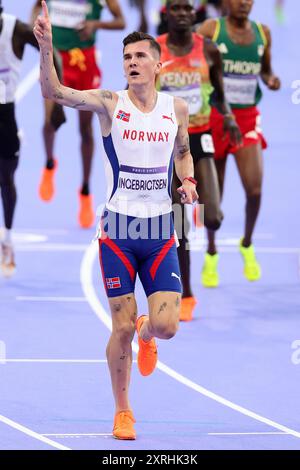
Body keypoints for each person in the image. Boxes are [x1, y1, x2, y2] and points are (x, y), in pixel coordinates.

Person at [34, 1, 198, 440]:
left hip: (160, 229)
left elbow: (182, 153)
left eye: (140, 56)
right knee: (120, 326)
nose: (132, 63)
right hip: (120, 232)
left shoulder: (176, 109)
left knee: (165, 326)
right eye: (126, 58)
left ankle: (149, 330)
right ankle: (123, 411)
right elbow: (55, 94)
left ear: (158, 64)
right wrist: (46, 47)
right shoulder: (110, 103)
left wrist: (188, 181)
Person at [156, 0, 241, 321]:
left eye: (186, 9)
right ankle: (186, 293)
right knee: (179, 227)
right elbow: (135, 89)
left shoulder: (209, 50)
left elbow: (219, 92)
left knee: (214, 216)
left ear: (194, 15)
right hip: (167, 144)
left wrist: (229, 116)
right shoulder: (156, 51)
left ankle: (207, 242)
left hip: (201, 137)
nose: (181, 14)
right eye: (175, 8)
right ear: (167, 14)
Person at [197, 0, 281, 285]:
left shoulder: (263, 32)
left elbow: (265, 70)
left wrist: (271, 80)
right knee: (213, 197)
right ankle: (211, 251)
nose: (244, 3)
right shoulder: (211, 28)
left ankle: (246, 243)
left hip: (246, 119)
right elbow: (191, 56)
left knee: (255, 189)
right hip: (215, 118)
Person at [31, 0, 125, 228]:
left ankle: (84, 191)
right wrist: (37, 24)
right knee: (49, 122)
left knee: (85, 130)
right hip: (56, 59)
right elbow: (36, 7)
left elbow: (121, 21)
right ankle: (49, 164)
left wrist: (95, 24)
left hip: (85, 61)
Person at [0, 0, 62, 277]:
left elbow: (50, 51)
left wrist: (56, 96)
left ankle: (8, 239)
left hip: (4, 115)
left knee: (6, 180)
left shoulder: (16, 29)